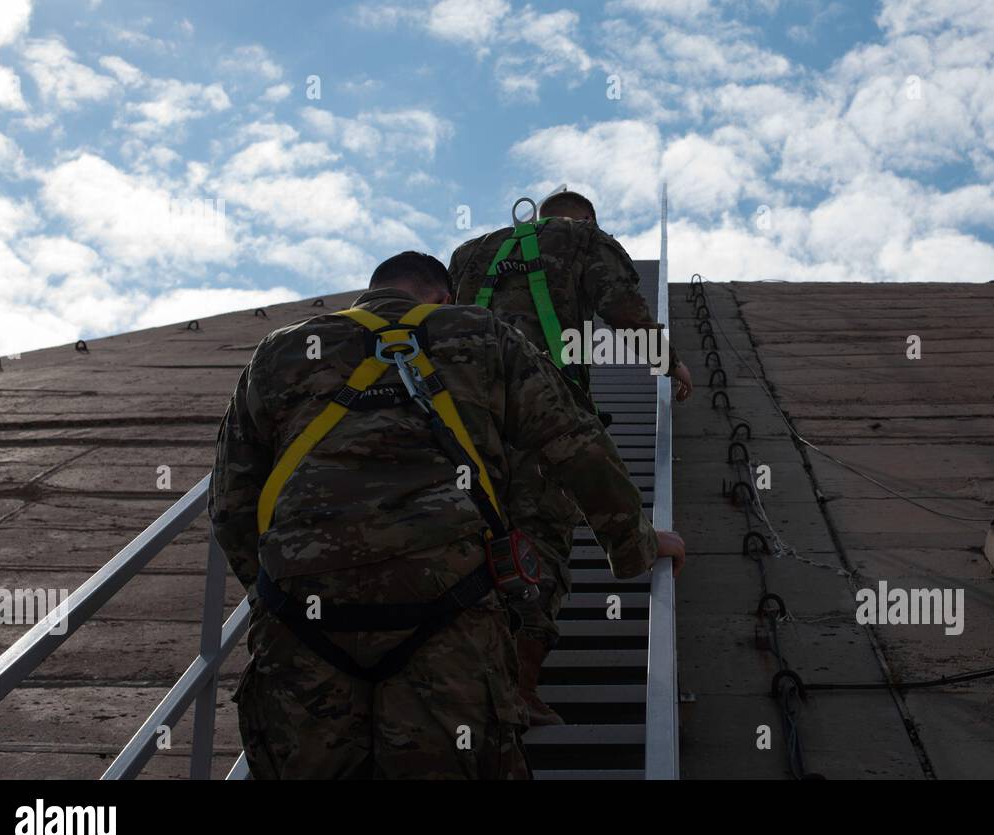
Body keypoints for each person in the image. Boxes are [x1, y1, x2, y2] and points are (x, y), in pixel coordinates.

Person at [209, 251, 685, 778]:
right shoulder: (480, 333)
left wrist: (268, 590)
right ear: (442, 297)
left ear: (369, 294)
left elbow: (231, 498)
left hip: (301, 617)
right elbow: (574, 442)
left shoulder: (281, 350)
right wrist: (635, 544)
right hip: (448, 608)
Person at [448, 189, 692, 725]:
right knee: (537, 544)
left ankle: (456, 682)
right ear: (589, 220)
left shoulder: (471, 252)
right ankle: (518, 692)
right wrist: (669, 362)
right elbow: (623, 310)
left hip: (461, 424)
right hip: (541, 415)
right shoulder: (585, 240)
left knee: (467, 539)